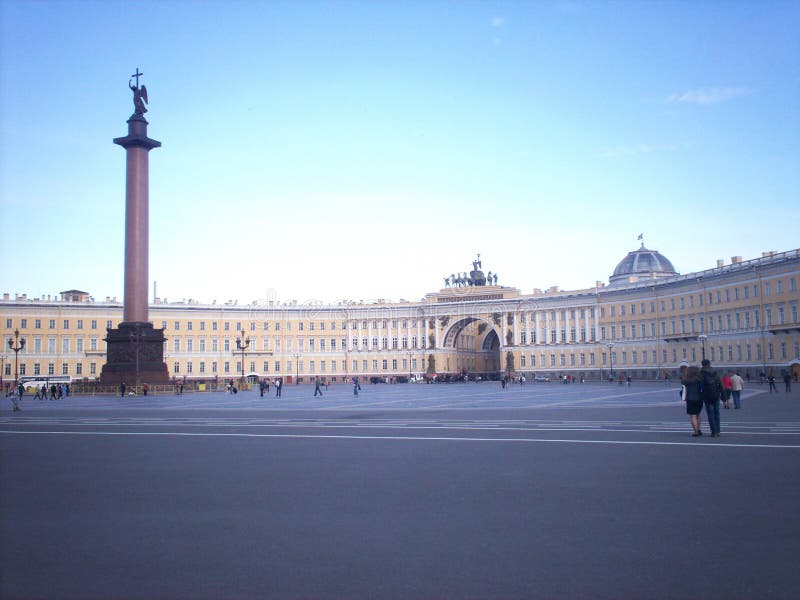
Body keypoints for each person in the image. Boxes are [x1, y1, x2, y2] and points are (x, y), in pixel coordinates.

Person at [699, 359, 723, 437]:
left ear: (702, 365)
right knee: (717, 413)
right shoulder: (715, 372)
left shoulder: (701, 373)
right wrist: (724, 396)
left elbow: (700, 386)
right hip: (716, 395)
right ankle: (718, 431)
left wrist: (701, 395)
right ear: (709, 364)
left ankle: (714, 432)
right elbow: (720, 384)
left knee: (710, 414)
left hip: (707, 396)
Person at [681, 366, 704, 436]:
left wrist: (684, 375)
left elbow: (683, 386)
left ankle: (696, 431)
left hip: (690, 399)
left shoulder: (686, 380)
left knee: (693, 416)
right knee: (698, 415)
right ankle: (699, 429)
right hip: (699, 398)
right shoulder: (700, 379)